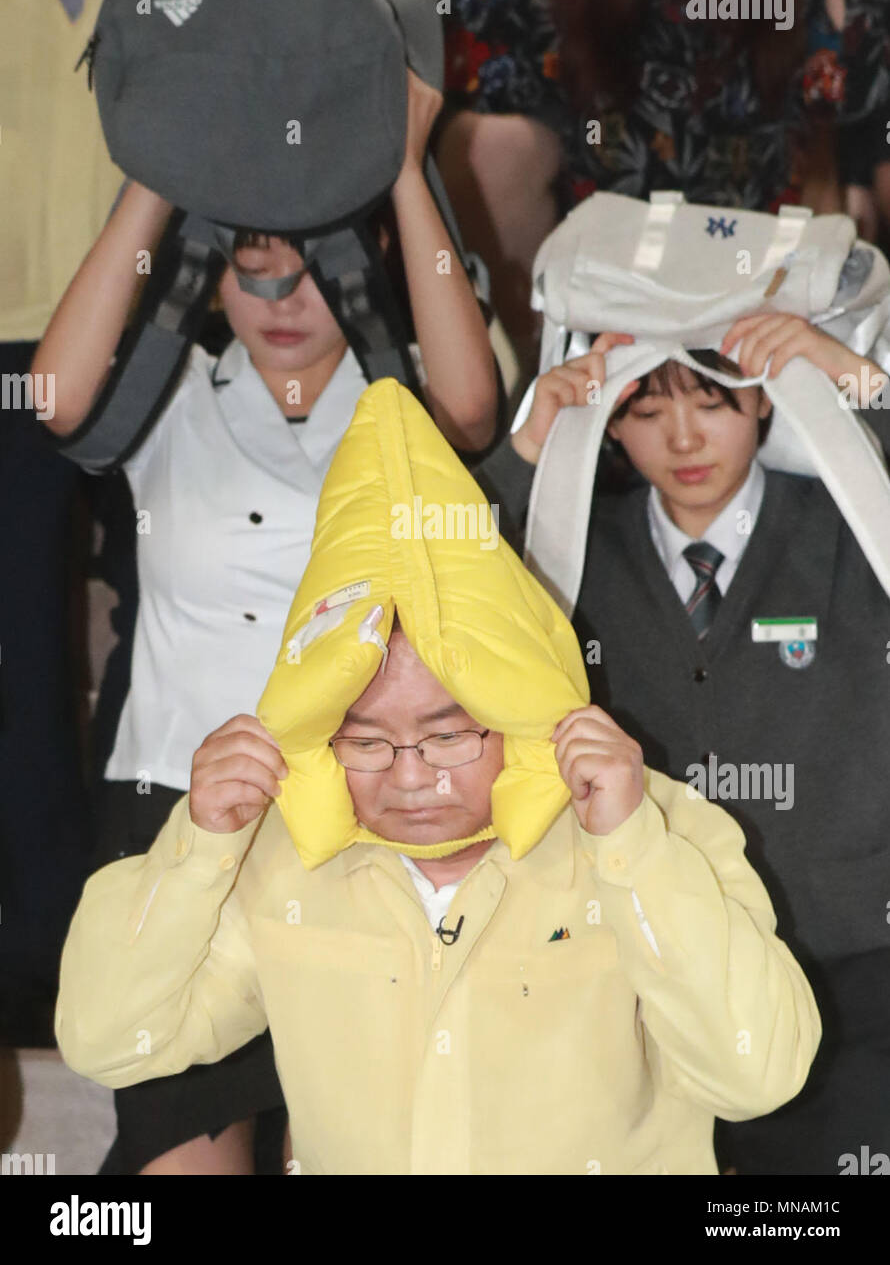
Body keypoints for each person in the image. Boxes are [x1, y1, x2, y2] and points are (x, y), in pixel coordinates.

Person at [54, 376, 820, 1175]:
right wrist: (198, 850)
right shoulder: (276, 858)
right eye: (366, 742)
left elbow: (757, 1073)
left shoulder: (653, 828)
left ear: (521, 709)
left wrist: (632, 854)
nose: (410, 777)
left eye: (450, 734)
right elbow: (108, 1041)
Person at [31, 66, 498, 1175]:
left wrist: (396, 165)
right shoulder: (166, 393)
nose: (281, 306)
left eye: (306, 277)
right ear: (211, 284)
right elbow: (50, 400)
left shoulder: (404, 404)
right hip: (174, 812)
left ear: (360, 266)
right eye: (248, 278)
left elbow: (478, 407)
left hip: (373, 814)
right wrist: (159, 166)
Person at [475, 314, 890, 1174]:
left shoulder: (856, 519)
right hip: (644, 960)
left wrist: (856, 382)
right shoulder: (569, 541)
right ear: (612, 424)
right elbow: (448, 587)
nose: (685, 438)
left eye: (715, 403)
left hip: (850, 956)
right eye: (649, 411)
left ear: (769, 404)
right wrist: (527, 454)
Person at [0, 0, 300, 1050]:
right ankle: (39, 949)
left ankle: (148, 897)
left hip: (182, 313)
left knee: (178, 614)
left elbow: (318, 55)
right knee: (18, 640)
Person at [436, 0, 890, 367]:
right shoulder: (578, 9)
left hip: (754, 314)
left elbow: (862, 67)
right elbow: (484, 70)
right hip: (612, 310)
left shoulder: (780, 7)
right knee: (482, 139)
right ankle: (542, 368)